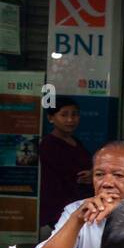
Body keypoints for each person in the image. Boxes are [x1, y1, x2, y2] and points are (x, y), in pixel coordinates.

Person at [35, 141, 124, 248]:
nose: (107, 183)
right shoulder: (76, 210)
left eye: (118, 175)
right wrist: (76, 220)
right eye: (99, 174)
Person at [37, 95, 92, 234]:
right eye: (64, 115)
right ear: (51, 118)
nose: (70, 120)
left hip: (79, 206)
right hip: (57, 210)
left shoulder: (76, 142)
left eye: (74, 115)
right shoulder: (48, 145)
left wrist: (92, 174)